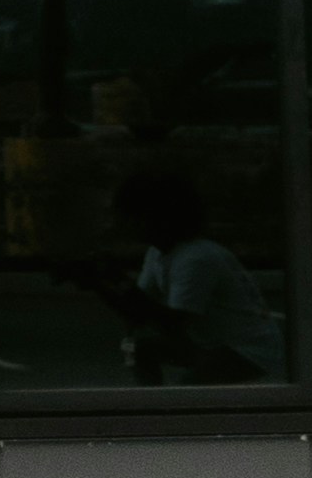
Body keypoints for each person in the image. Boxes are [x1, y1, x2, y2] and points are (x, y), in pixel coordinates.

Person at [91, 164, 281, 384]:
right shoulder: (158, 253)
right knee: (138, 348)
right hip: (212, 342)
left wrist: (117, 282)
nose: (122, 224)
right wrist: (102, 283)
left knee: (189, 388)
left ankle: (163, 412)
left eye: (130, 216)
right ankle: (150, 406)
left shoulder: (196, 258)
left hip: (247, 349)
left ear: (156, 217)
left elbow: (172, 324)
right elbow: (138, 313)